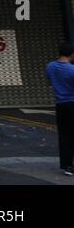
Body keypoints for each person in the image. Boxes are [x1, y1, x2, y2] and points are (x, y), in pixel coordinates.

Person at [47, 42, 74, 176]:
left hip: (60, 104)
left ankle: (67, 166)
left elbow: (50, 81)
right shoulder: (72, 70)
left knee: (64, 136)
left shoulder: (50, 66)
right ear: (72, 54)